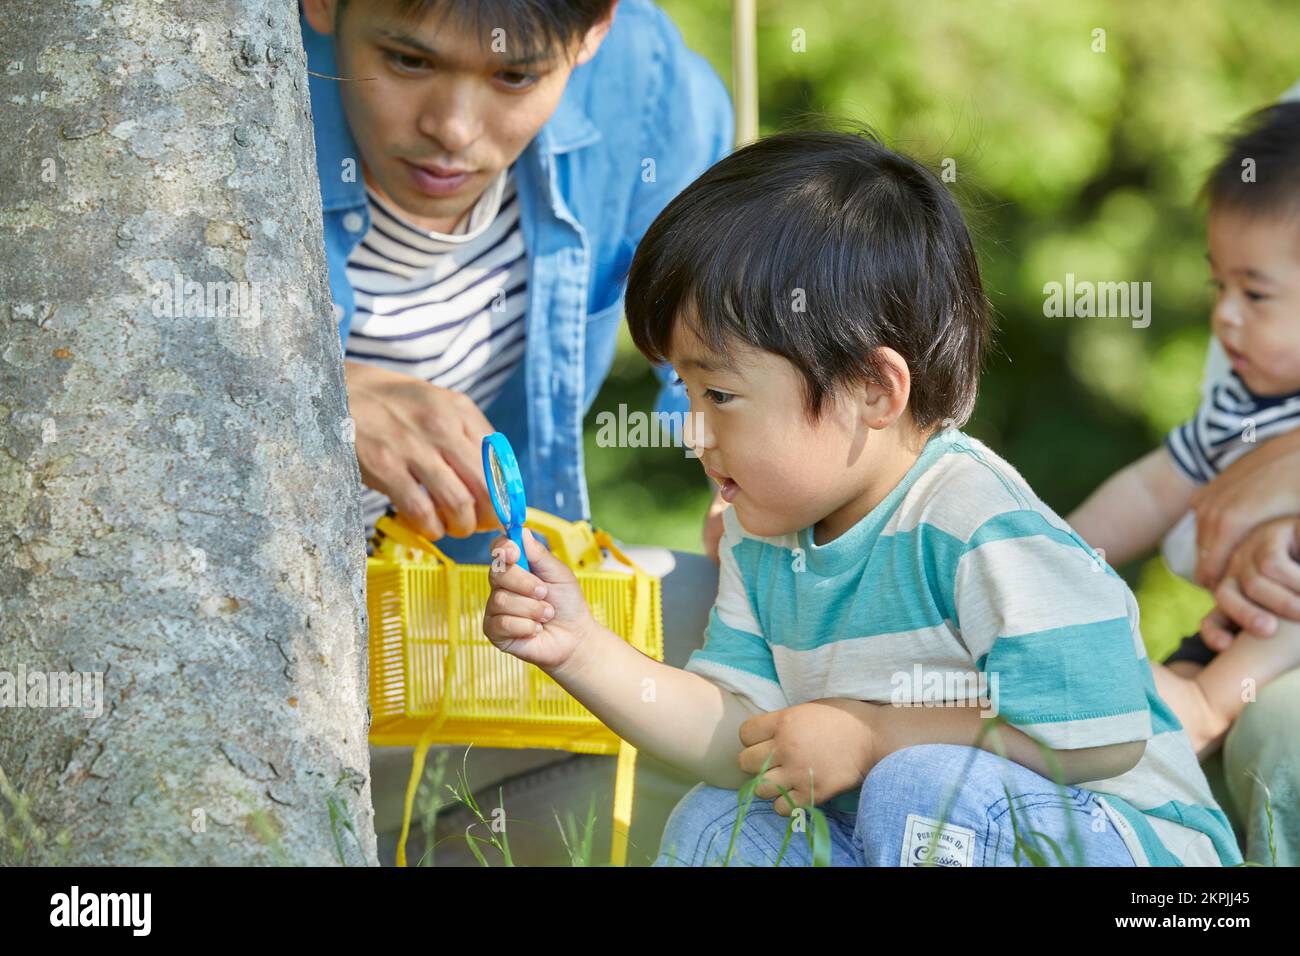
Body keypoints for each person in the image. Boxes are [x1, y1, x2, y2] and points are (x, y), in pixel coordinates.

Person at [483, 129, 1242, 866]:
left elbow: (1100, 730)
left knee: (920, 785)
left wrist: (875, 735)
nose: (691, 432)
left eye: (717, 392)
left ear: (873, 390)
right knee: (721, 822)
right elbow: (741, 738)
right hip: (908, 834)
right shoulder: (763, 537)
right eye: (685, 391)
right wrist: (580, 648)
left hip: (1128, 849)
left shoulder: (974, 519)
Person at [298, 0, 734, 863]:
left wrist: (757, 503)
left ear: (593, 31)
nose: (452, 129)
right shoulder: (205, 77)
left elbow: (741, 364)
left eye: (513, 76)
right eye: (409, 61)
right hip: (271, 629)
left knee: (734, 631)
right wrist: (321, 401)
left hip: (461, 616)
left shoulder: (647, 90)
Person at [1069, 99, 1300, 864]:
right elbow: (1153, 488)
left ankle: (1202, 705)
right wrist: (1051, 552)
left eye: (1256, 294)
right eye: (1218, 288)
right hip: (1230, 637)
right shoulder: (1243, 402)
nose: (1226, 318)